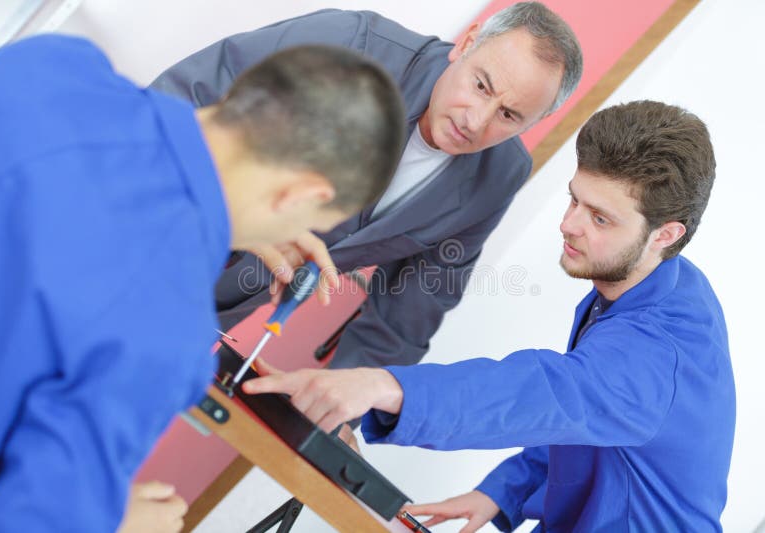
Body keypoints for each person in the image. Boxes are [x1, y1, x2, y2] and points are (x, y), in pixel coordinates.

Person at [244, 101, 736, 531]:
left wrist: (385, 387)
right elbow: (589, 419)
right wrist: (505, 493)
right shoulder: (651, 285)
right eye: (574, 199)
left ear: (666, 235)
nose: (569, 225)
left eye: (600, 218)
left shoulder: (659, 351)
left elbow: (550, 392)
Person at [0, 36, 404, 531]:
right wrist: (112, 521)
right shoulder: (169, 337)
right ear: (301, 194)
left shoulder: (52, 63)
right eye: (317, 218)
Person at [151, 2, 584, 370]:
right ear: (468, 43)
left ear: (535, 122)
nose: (476, 120)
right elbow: (174, 107)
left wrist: (338, 409)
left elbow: (407, 315)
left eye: (509, 116)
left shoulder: (498, 178)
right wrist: (233, 212)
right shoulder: (349, 42)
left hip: (206, 319)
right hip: (134, 241)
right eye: (480, 85)